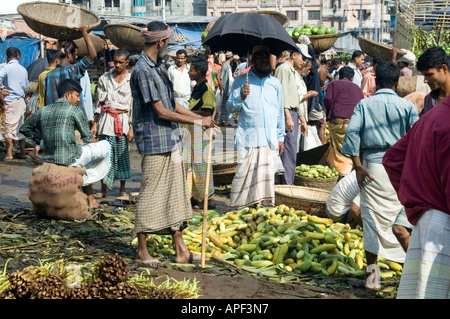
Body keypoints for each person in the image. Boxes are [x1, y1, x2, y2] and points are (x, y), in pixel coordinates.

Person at [131, 21, 217, 267]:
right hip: (155, 142)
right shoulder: (143, 71)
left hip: (171, 140)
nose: (169, 45)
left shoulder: (158, 67)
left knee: (176, 195)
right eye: (168, 41)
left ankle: (181, 250)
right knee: (151, 194)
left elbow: (173, 105)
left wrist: (200, 119)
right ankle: (142, 250)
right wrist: (196, 123)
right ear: (160, 42)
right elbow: (161, 112)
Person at [341, 61, 419, 290]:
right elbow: (416, 140)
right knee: (402, 223)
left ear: (375, 81)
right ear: (396, 82)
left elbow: (352, 133)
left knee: (371, 223)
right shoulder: (406, 107)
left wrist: (357, 166)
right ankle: (412, 278)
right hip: (400, 170)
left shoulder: (365, 105)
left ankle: (373, 279)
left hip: (372, 169)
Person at [383, 94, 450, 299]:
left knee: (420, 291)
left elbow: (392, 159)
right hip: (443, 223)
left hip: (426, 219)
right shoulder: (446, 124)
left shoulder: (431, 117)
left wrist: (414, 196)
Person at [19, 79, 111, 209]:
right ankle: (92, 198)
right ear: (68, 95)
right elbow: (87, 137)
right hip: (70, 157)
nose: (79, 100)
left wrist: (40, 135)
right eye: (77, 95)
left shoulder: (43, 110)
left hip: (49, 157)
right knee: (106, 145)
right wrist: (94, 143)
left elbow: (24, 129)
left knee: (83, 162)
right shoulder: (75, 111)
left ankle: (91, 199)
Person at [226, 45, 285, 210]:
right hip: (248, 139)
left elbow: (279, 113)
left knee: (265, 182)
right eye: (260, 55)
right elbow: (230, 107)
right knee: (243, 179)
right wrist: (241, 96)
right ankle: (239, 211)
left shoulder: (275, 84)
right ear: (252, 59)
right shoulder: (241, 81)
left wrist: (281, 137)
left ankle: (262, 212)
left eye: (267, 55)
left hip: (269, 141)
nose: (264, 59)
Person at [91, 48, 133, 199]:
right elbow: (98, 103)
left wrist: (132, 128)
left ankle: (122, 189)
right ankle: (103, 190)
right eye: (115, 61)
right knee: (105, 156)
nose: (117, 65)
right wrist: (95, 124)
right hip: (106, 121)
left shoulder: (131, 79)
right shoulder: (104, 78)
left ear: (127, 63)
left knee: (122, 156)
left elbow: (133, 105)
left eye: (120, 62)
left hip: (123, 122)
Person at [274, 43, 312, 185]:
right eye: (302, 57)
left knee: (291, 151)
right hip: (287, 113)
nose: (303, 62)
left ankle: (287, 182)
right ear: (294, 55)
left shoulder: (292, 71)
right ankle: (286, 184)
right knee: (288, 152)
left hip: (293, 113)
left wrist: (302, 120)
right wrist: (288, 116)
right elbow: (282, 95)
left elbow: (294, 96)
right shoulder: (284, 69)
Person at [185, 56, 216, 210]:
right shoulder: (197, 87)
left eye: (191, 70)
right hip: (192, 130)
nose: (189, 72)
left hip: (200, 130)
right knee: (192, 165)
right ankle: (195, 196)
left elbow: (206, 112)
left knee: (201, 165)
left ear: (198, 72)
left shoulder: (207, 89)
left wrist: (187, 113)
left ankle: (206, 199)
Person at [43, 24, 97, 107]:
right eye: (75, 54)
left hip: (53, 118)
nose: (76, 57)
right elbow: (92, 56)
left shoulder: (49, 75)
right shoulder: (73, 70)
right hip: (71, 117)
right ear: (69, 54)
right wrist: (84, 34)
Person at [324, 66, 364, 175]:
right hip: (352, 124)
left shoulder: (333, 84)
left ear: (339, 76)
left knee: (337, 151)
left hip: (336, 123)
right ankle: (348, 172)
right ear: (352, 78)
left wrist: (330, 111)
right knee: (350, 151)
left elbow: (327, 99)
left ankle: (341, 172)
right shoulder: (357, 88)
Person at [0, 47, 29, 160]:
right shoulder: (23, 69)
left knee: (9, 128)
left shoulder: (5, 68)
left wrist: (2, 89)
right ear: (18, 56)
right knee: (20, 126)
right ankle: (22, 152)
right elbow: (26, 86)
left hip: (9, 101)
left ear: (7, 56)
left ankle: (9, 154)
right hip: (20, 101)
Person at [416, 47, 450, 114]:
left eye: (429, 75)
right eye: (424, 76)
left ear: (444, 69)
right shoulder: (429, 100)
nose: (425, 81)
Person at [217, 51, 234, 126]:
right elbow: (220, 77)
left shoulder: (228, 66)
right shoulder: (225, 66)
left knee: (225, 104)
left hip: (228, 88)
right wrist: (221, 88)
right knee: (225, 105)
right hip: (225, 88)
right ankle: (225, 120)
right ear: (231, 57)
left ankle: (223, 120)